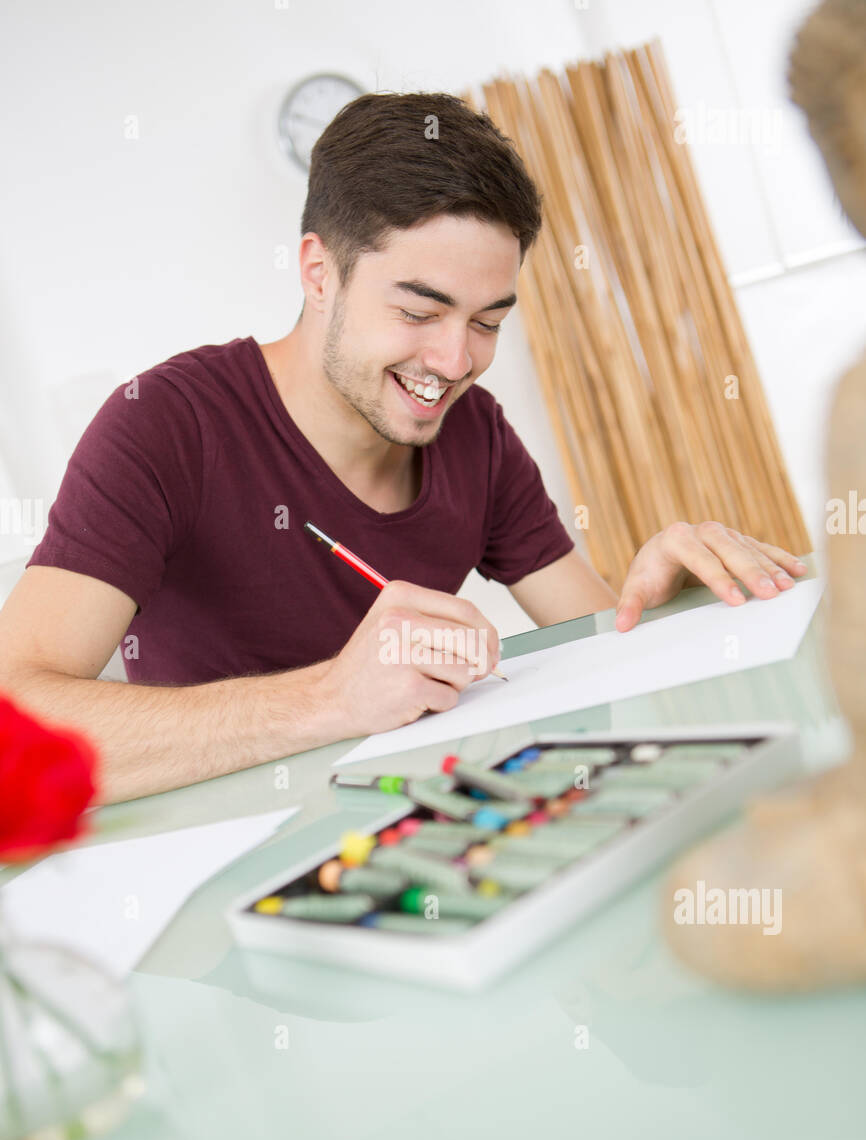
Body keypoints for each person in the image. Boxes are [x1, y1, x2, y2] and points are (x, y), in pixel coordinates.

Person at [0, 92, 804, 806]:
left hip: (410, 824)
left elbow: (594, 643)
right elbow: (14, 729)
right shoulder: (164, 426)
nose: (456, 363)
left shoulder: (477, 435)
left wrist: (662, 605)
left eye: (488, 322)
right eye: (420, 311)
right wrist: (329, 700)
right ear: (320, 272)